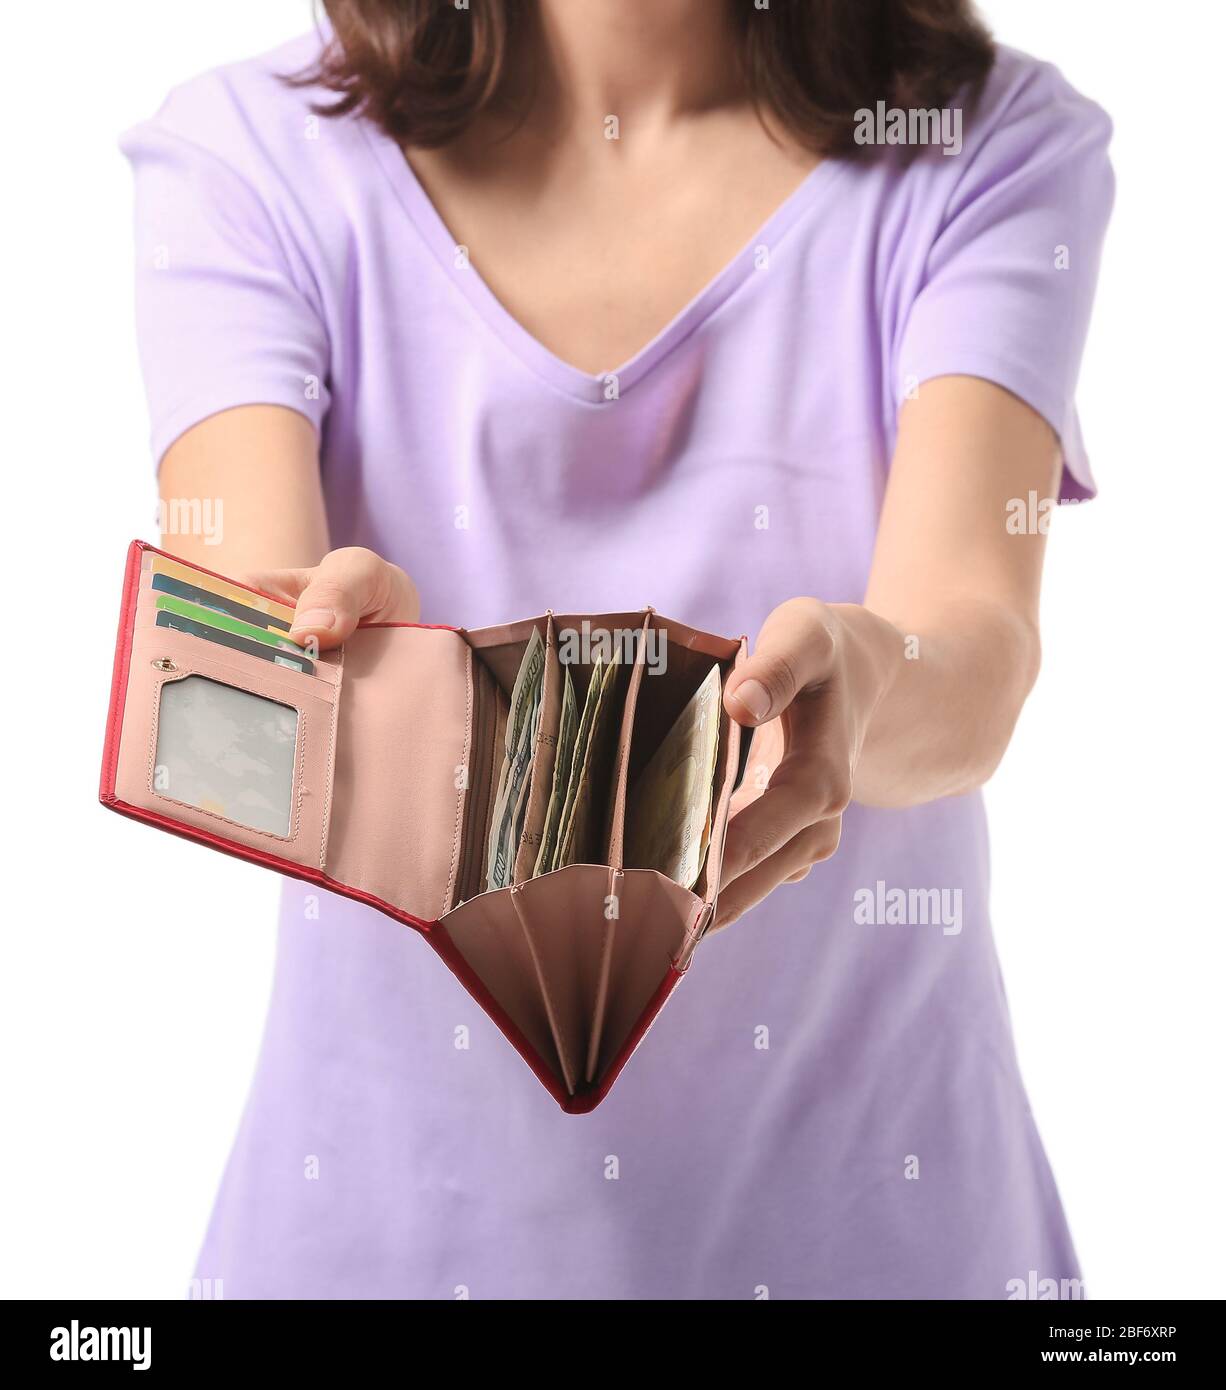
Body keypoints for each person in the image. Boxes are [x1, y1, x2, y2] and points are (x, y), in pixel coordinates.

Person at [120, 0, 1113, 1298]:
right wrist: (320, 649)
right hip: (376, 1243)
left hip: (879, 1235)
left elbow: (973, 644)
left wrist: (867, 690)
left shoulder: (982, 142)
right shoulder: (247, 151)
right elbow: (232, 653)